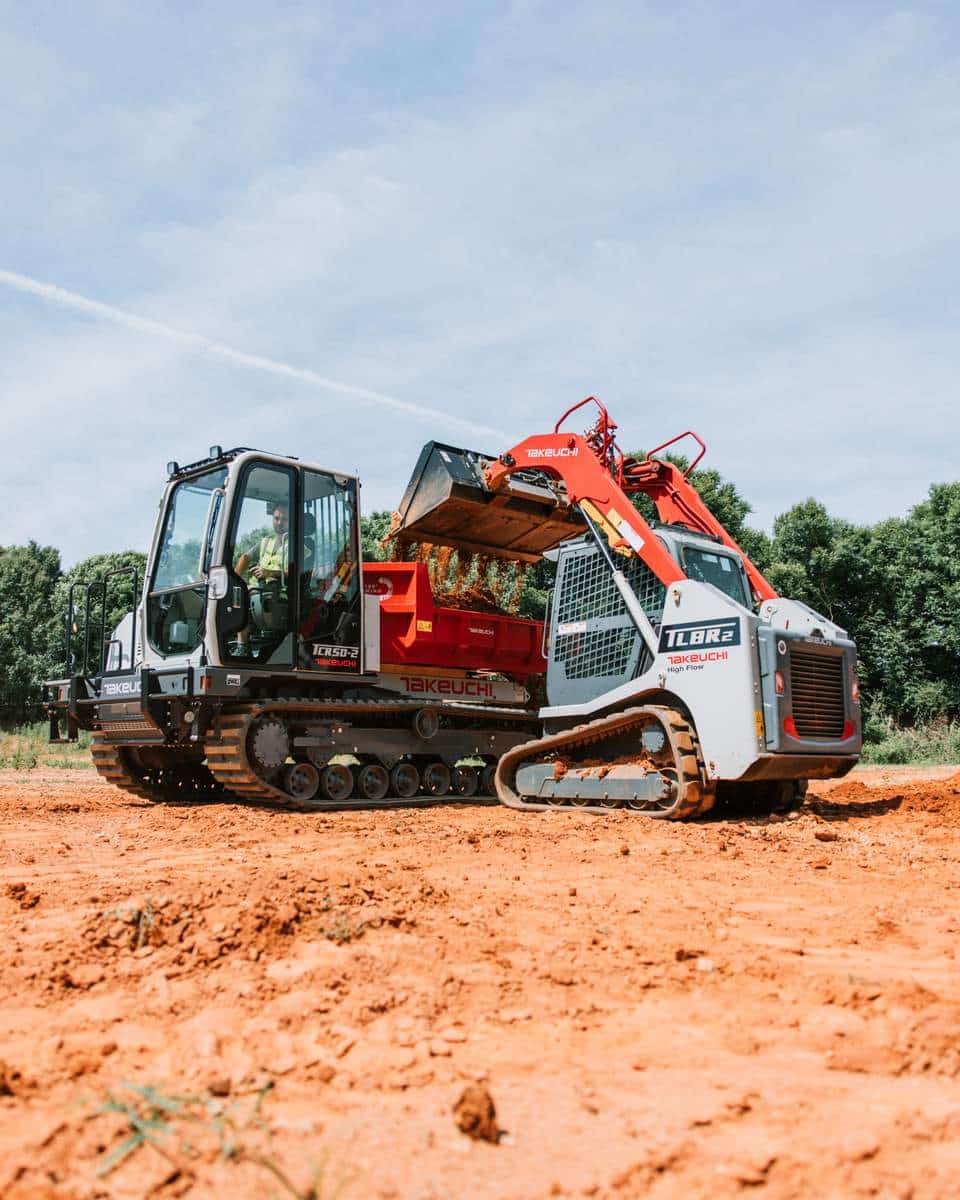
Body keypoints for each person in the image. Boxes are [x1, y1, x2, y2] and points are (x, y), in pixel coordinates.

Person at [234, 501, 289, 652]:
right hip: (259, 589)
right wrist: (233, 579)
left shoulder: (297, 545)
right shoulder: (266, 541)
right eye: (276, 518)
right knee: (235, 591)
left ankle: (242, 646)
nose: (279, 523)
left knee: (242, 594)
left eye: (284, 519)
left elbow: (299, 573)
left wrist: (269, 573)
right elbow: (245, 557)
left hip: (281, 592)